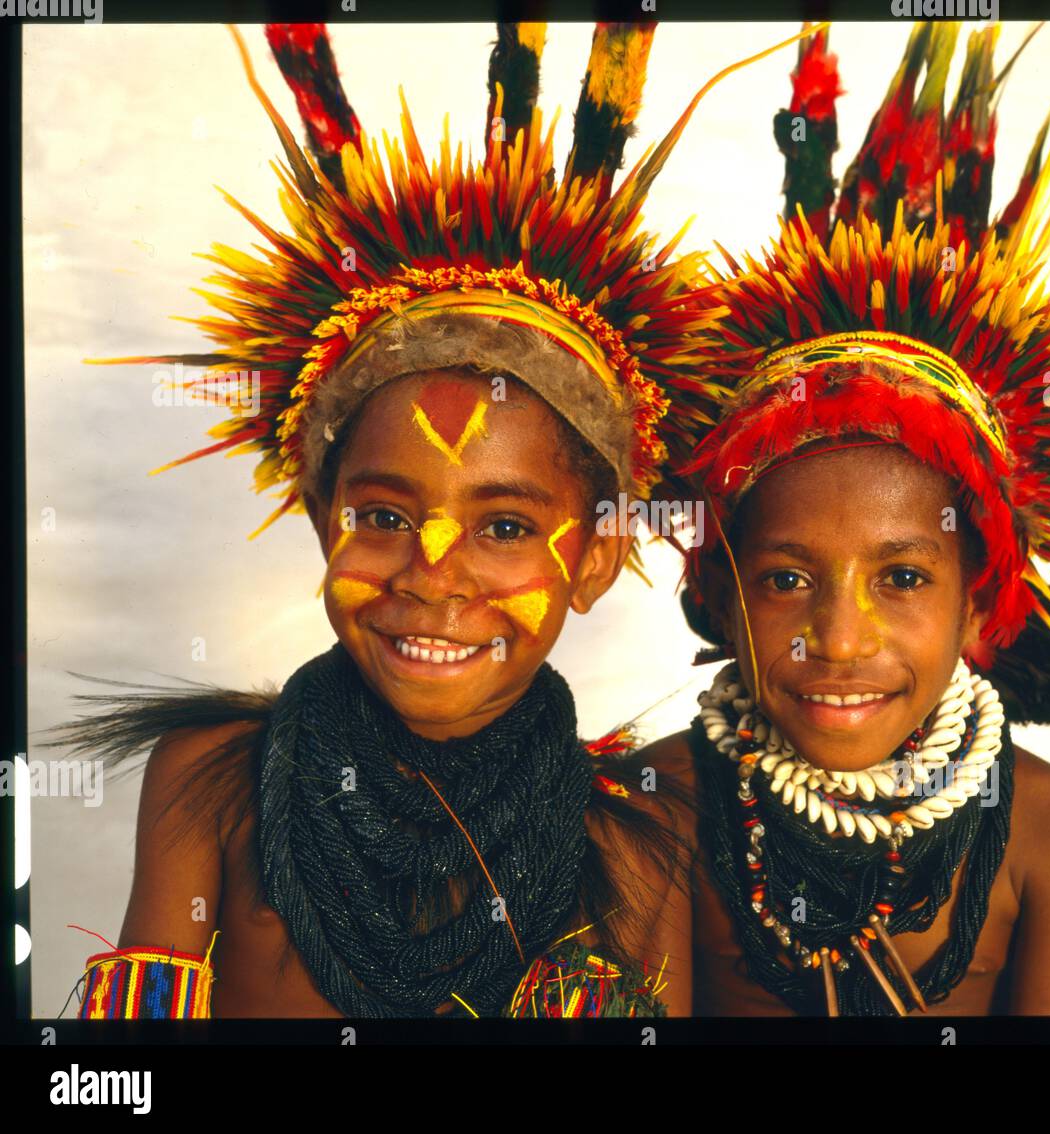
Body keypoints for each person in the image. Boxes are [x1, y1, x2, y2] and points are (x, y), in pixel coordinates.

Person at [53, 20, 814, 1020]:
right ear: (321, 519)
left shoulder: (633, 843)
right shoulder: (217, 782)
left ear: (594, 558)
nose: (430, 575)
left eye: (504, 526)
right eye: (381, 514)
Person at [641, 21, 1050, 1016]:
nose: (842, 637)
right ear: (720, 597)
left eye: (901, 576)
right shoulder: (652, 810)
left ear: (980, 606)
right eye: (783, 577)